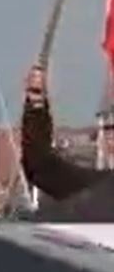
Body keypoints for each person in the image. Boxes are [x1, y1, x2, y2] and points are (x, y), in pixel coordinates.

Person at [21, 63, 114, 221]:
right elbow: (39, 166)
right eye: (108, 129)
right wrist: (36, 105)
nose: (109, 135)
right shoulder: (94, 185)